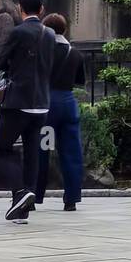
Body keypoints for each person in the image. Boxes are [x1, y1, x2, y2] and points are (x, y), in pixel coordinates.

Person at [0, 0, 56, 223]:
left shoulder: (18, 33)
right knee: (31, 153)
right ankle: (22, 208)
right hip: (42, 103)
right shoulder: (49, 34)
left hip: (18, 101)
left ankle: (20, 191)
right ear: (41, 9)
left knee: (2, 149)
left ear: (20, 8)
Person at [35, 13, 86, 212]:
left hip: (46, 105)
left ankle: (35, 195)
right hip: (68, 104)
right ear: (64, 30)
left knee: (41, 151)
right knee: (71, 153)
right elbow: (79, 81)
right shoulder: (75, 53)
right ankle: (71, 198)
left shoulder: (42, 51)